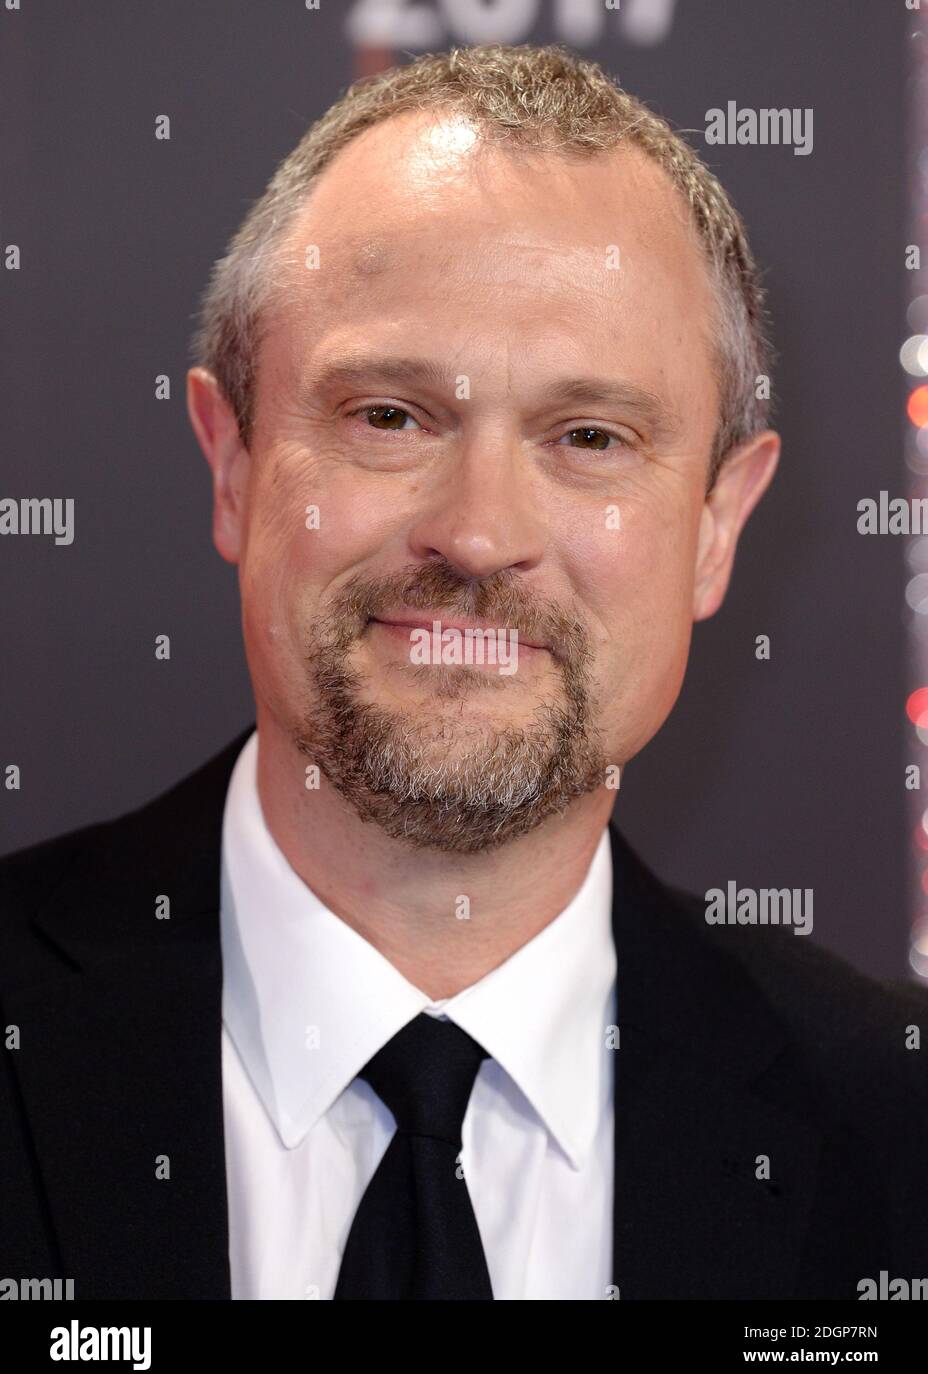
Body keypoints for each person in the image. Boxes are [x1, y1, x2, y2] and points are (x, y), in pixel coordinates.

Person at [2, 43, 926, 1301]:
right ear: (232, 463)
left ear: (718, 524)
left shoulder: (896, 1131)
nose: (480, 531)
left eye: (590, 436)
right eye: (389, 415)